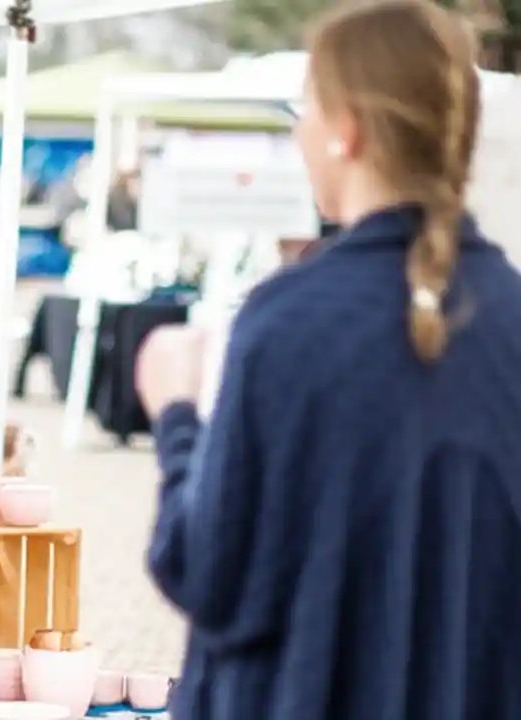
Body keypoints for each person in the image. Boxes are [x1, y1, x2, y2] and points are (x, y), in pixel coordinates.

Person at [135, 2, 521, 718]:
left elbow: (207, 570)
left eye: (305, 109)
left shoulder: (286, 322)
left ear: (346, 129)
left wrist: (177, 413)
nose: (300, 134)